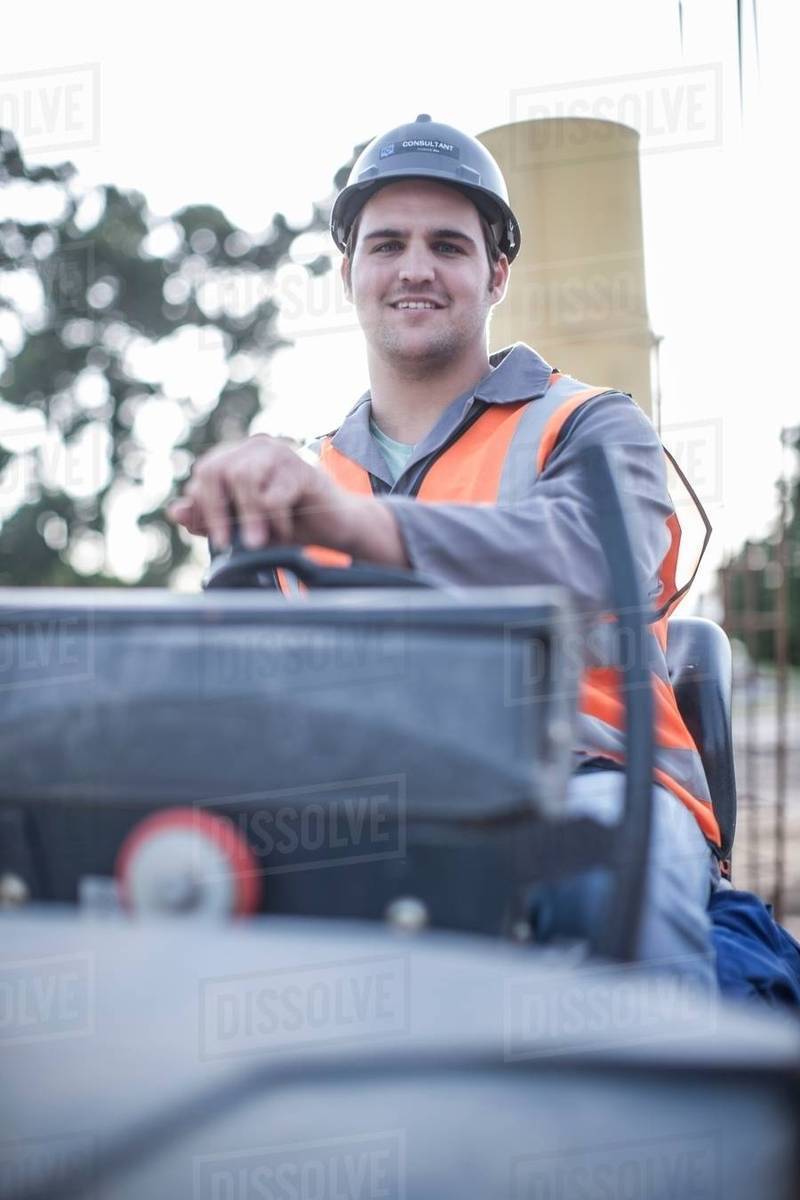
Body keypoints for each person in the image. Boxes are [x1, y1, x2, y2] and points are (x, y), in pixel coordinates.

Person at [168, 114, 720, 984]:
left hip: (587, 780)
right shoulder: (303, 480)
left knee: (620, 888)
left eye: (448, 246)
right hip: (369, 799)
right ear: (349, 272)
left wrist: (353, 527)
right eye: (387, 244)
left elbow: (590, 560)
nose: (416, 268)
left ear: (496, 273)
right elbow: (244, 687)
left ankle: (676, 1108)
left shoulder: (589, 425)